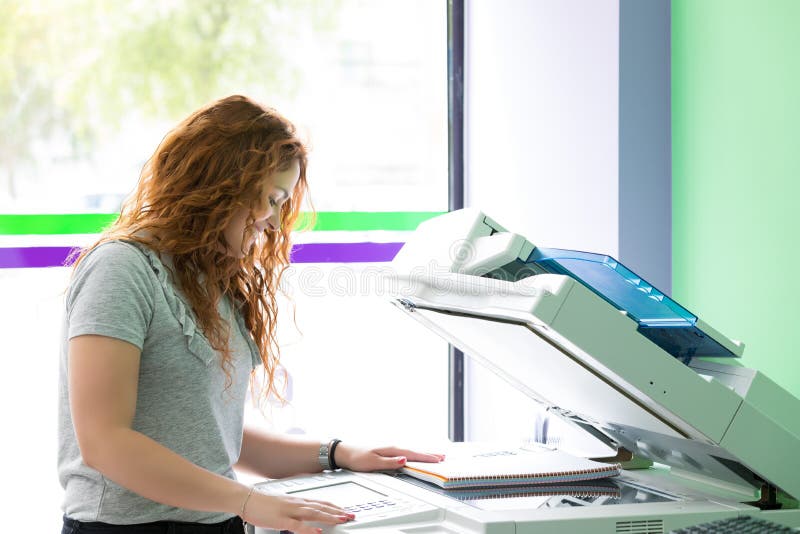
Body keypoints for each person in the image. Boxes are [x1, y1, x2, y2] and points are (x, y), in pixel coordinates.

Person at [58, 95, 444, 534]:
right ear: (220, 187)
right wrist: (247, 501)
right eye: (273, 199)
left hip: (216, 522)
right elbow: (104, 442)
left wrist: (336, 453)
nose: (277, 223)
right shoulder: (122, 268)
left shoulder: (209, 278)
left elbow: (217, 437)